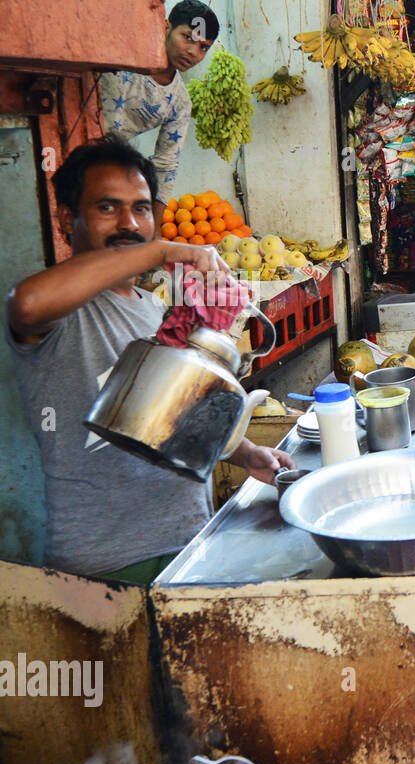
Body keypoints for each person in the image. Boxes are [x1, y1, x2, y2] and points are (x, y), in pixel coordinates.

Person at [5, 137, 293, 584]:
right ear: (68, 219)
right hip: (105, 563)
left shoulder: (154, 309)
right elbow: (24, 304)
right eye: (107, 208)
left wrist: (246, 454)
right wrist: (161, 251)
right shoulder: (61, 314)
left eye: (141, 209)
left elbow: (176, 412)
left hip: (187, 541)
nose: (129, 223)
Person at [99, 0, 219, 224]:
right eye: (188, 38)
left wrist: (154, 231)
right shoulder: (120, 56)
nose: (193, 52)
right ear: (166, 27)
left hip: (99, 169)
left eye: (203, 47)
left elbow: (166, 165)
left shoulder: (180, 102)